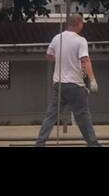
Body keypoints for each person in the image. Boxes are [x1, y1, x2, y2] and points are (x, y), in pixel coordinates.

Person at [35, 13, 101, 147]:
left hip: (58, 84)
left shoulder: (56, 38)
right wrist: (92, 79)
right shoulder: (80, 40)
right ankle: (93, 144)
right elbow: (85, 60)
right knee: (83, 116)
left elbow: (48, 56)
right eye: (82, 23)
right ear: (78, 23)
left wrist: (60, 59)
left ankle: (40, 143)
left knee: (51, 115)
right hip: (75, 85)